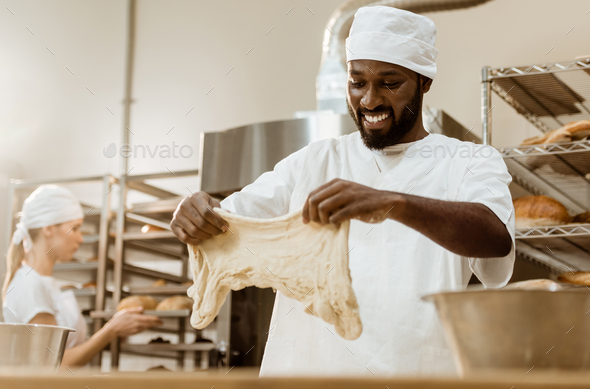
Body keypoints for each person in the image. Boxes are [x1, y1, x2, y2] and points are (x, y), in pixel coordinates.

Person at [170, 6, 515, 377]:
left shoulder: (468, 160)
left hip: (411, 376)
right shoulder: (314, 161)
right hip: (302, 375)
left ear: (424, 81)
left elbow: (494, 238)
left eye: (390, 83)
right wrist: (196, 211)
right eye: (357, 82)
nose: (369, 100)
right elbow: (225, 222)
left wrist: (393, 203)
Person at [2, 185, 162, 367]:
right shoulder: (29, 285)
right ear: (48, 229)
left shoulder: (43, 283)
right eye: (75, 228)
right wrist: (110, 331)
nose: (81, 238)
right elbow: (53, 366)